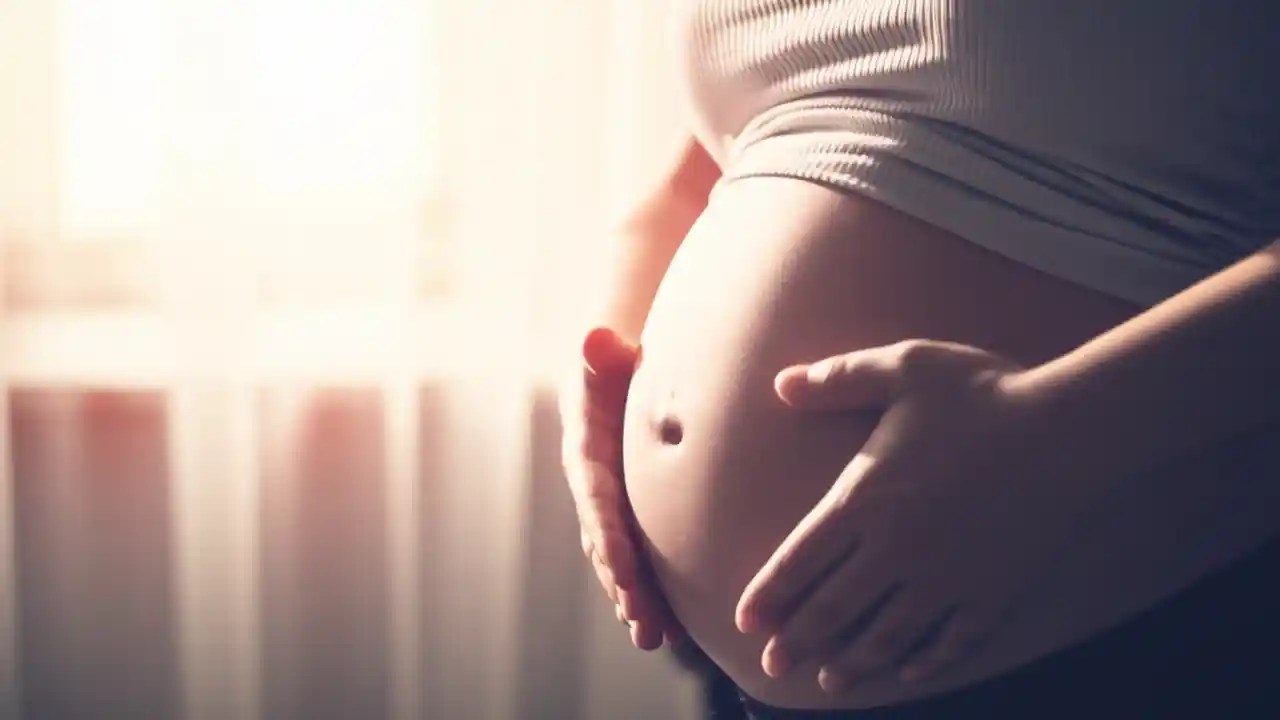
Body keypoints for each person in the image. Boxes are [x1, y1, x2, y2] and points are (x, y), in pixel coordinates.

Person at [559, 2, 1280, 717]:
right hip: (770, 665)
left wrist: (1068, 432)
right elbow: (700, 172)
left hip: (1099, 622)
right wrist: (599, 377)